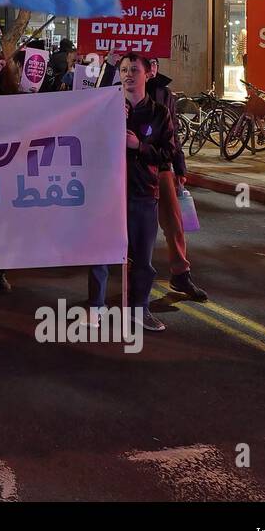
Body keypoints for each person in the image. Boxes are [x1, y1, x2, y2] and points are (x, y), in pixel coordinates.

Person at [88, 54, 175, 332]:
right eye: (124, 69)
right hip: (109, 193)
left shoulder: (160, 113)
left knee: (142, 258)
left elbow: (168, 153)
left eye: (134, 70)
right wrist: (111, 121)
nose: (128, 74)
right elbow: (91, 143)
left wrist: (140, 146)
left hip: (143, 194)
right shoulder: (108, 108)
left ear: (148, 74)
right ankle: (95, 307)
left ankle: (141, 309)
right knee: (101, 252)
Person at [147, 57, 206, 301]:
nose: (150, 68)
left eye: (153, 63)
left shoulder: (164, 94)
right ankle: (132, 273)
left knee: (173, 221)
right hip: (128, 168)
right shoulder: (118, 89)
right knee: (136, 225)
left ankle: (181, 274)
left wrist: (179, 166)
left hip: (160, 164)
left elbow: (173, 134)